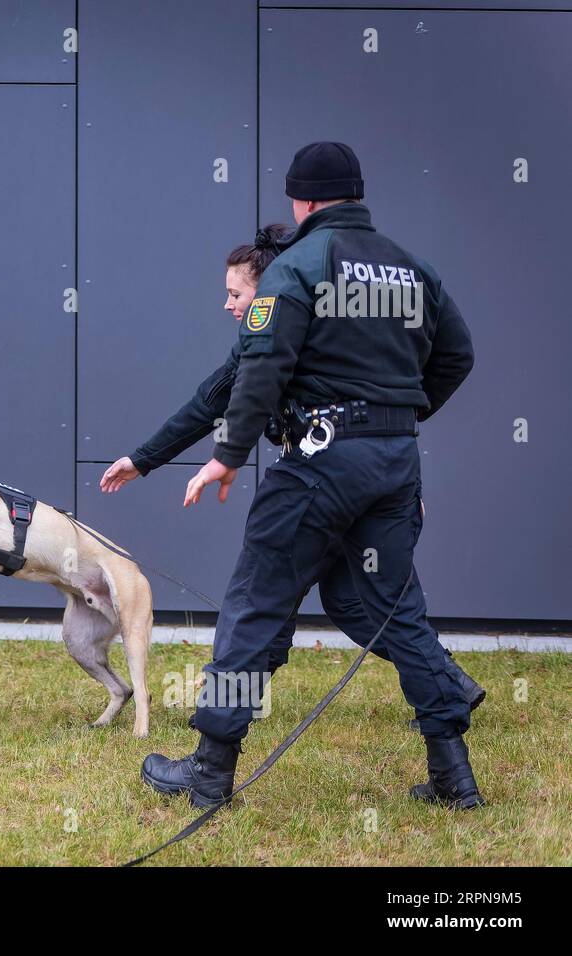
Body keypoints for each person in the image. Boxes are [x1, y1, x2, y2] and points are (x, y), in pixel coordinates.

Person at [140, 142, 484, 809]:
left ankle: (210, 774)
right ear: (356, 196)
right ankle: (454, 776)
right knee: (395, 611)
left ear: (303, 202)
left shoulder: (295, 266)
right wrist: (394, 416)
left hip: (320, 463)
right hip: (394, 464)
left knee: (255, 603)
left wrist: (229, 453)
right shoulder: (414, 269)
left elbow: (260, 366)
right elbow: (457, 356)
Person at [100, 227, 484, 703]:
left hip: (320, 481)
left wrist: (185, 458)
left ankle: (227, 710)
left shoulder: (276, 332)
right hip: (379, 478)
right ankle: (449, 688)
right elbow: (213, 400)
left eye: (235, 293)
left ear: (272, 285)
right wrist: (143, 459)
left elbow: (212, 402)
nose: (228, 305)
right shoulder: (335, 326)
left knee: (266, 593)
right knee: (351, 602)